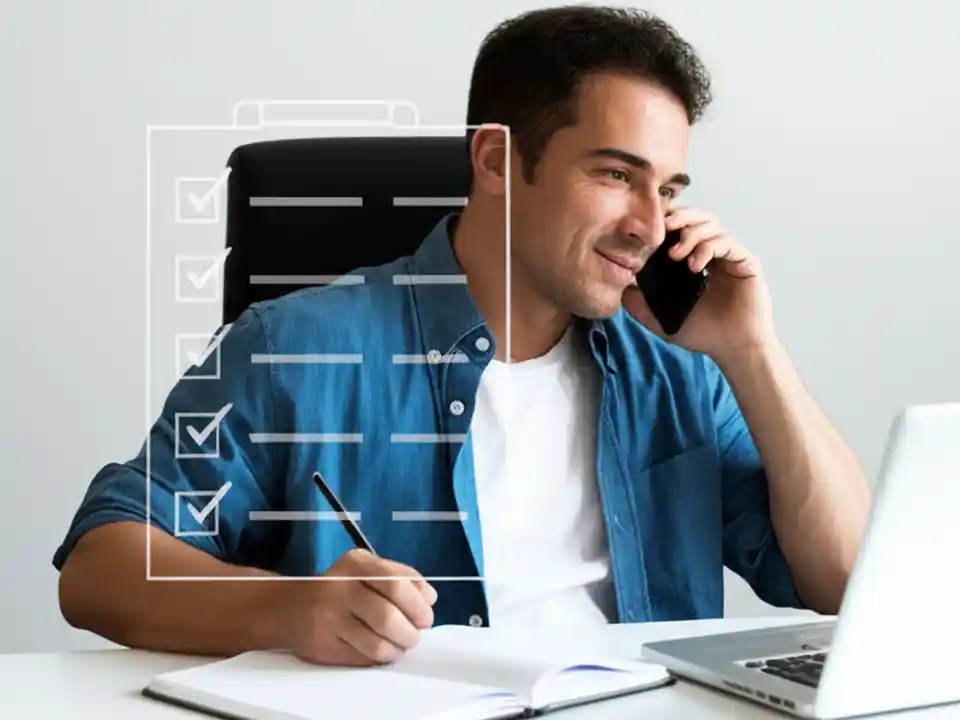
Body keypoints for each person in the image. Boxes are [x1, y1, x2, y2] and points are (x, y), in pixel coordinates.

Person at [54, 5, 870, 667]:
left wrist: (753, 350)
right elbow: (103, 565)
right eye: (616, 175)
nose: (650, 226)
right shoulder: (295, 350)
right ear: (493, 159)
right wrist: (285, 608)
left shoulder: (679, 368)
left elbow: (842, 577)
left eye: (670, 188)